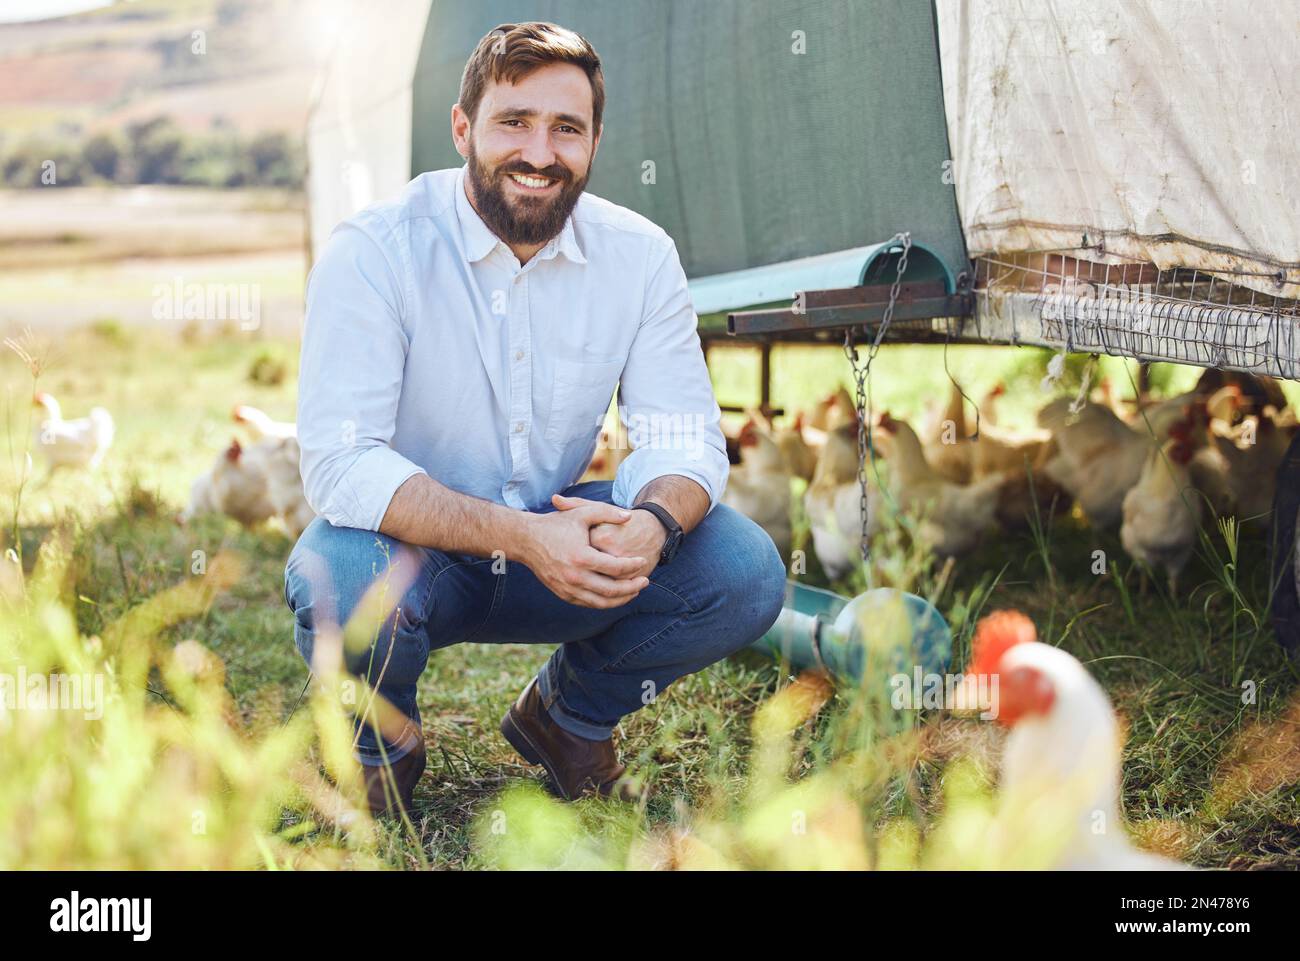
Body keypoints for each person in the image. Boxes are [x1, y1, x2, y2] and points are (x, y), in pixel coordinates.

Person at [284, 20, 787, 817]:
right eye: (513, 122)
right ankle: (384, 746)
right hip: (414, 553)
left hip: (565, 540)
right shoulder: (375, 252)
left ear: (593, 141)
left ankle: (567, 718)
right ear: (462, 129)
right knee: (339, 580)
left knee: (742, 570)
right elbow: (342, 464)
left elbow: (685, 436)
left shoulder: (640, 254)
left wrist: (653, 521)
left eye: (566, 128)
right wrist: (521, 537)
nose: (539, 153)